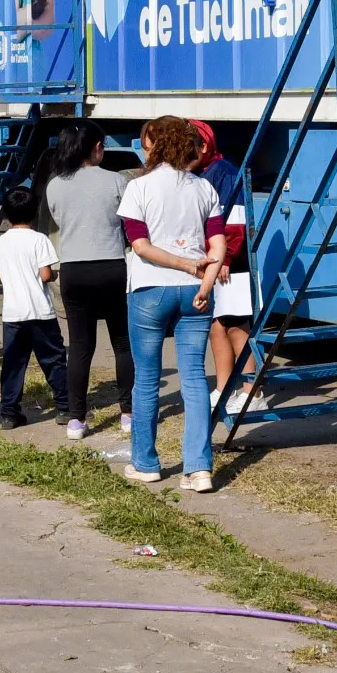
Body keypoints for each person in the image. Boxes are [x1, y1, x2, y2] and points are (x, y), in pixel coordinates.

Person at [117, 116, 226, 491]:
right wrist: (205, 282)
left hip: (149, 289)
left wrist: (182, 262)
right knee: (194, 378)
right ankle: (199, 468)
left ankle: (145, 463)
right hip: (194, 292)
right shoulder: (205, 189)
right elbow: (217, 245)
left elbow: (140, 246)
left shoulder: (139, 188)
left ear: (155, 144)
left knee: (146, 380)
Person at [41, 120, 130, 440]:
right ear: (96, 148)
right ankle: (128, 413)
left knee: (79, 346)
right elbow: (126, 221)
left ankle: (76, 419)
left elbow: (59, 219)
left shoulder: (55, 184)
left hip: (74, 270)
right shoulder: (116, 181)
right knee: (122, 342)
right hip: (112, 267)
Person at [0, 184, 65, 429]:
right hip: (40, 311)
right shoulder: (39, 240)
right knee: (53, 360)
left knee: (13, 363)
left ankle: (9, 413)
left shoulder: (0, 242)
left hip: (13, 313)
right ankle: (65, 407)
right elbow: (44, 275)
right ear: (34, 212)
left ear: (7, 215)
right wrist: (52, 275)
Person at [193, 121, 255, 414]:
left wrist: (226, 258)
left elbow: (235, 218)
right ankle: (223, 388)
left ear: (204, 146)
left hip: (231, 260)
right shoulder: (202, 173)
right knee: (217, 326)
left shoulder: (225, 172)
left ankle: (253, 392)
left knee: (237, 326)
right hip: (214, 261)